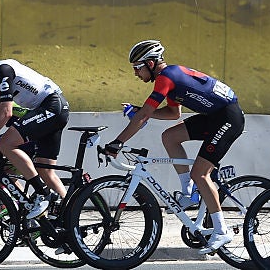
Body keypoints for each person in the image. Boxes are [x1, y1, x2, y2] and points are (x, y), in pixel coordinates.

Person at [102, 39, 245, 255]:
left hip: (228, 118)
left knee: (201, 174)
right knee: (170, 137)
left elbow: (143, 118)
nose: (135, 73)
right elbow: (173, 114)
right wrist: (143, 110)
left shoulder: (166, 78)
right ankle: (188, 190)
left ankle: (221, 230)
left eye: (137, 68)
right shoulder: (169, 78)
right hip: (214, 116)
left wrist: (118, 142)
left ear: (150, 64)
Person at [0, 33, 70, 219]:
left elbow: (6, 112)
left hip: (51, 107)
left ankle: (43, 195)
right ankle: (69, 218)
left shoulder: (2, 70)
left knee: (5, 144)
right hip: (53, 108)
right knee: (45, 170)